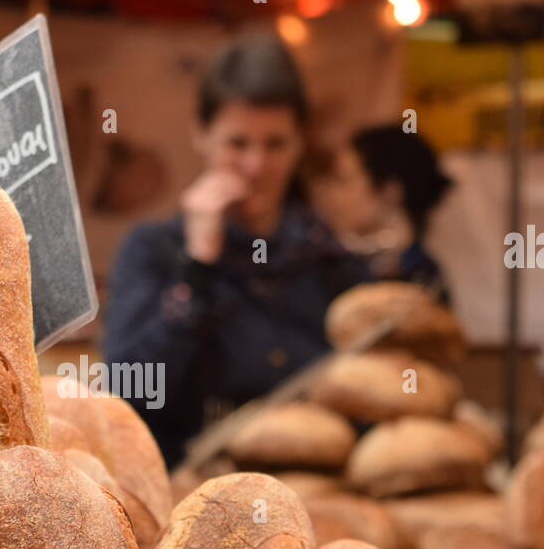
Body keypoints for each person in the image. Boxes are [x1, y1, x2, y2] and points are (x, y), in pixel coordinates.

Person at [102, 34, 371, 467]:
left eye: (275, 144)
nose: (256, 166)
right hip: (187, 497)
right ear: (201, 135)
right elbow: (129, 394)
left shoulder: (331, 261)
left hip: (315, 494)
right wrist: (198, 268)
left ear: (301, 141)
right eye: (237, 144)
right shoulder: (154, 251)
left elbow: (367, 399)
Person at [321, 125, 452, 297]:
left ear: (390, 192)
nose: (333, 196)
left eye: (345, 181)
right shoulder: (325, 264)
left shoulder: (423, 283)